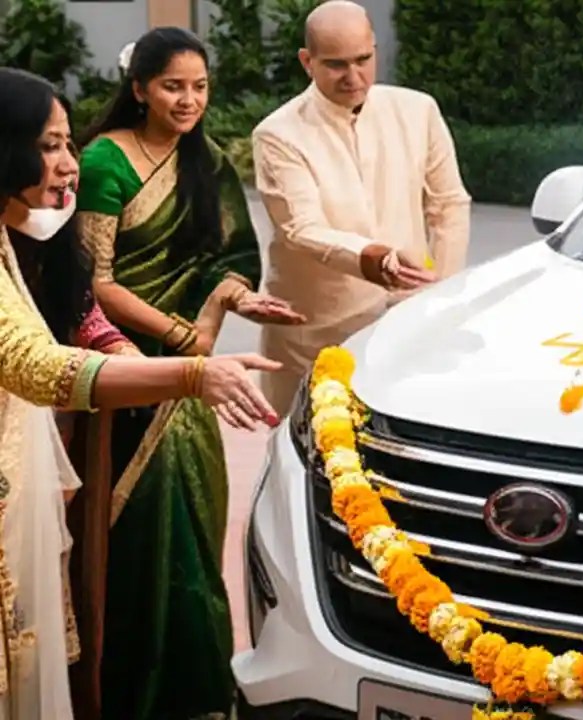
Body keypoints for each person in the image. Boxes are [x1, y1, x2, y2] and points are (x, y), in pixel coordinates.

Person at [0, 66, 279, 719]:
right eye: (48, 146)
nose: (68, 165)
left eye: (68, 143)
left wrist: (132, 357)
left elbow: (79, 311)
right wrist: (189, 371)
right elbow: (34, 362)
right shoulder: (96, 174)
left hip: (60, 438)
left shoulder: (29, 231)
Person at [72, 28, 303, 720]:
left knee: (198, 528)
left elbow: (227, 256)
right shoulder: (105, 161)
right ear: (138, 88)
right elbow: (96, 282)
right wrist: (182, 341)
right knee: (142, 533)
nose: (189, 100)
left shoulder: (207, 164)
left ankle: (196, 691)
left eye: (199, 87)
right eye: (174, 86)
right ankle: (130, 695)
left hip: (188, 375)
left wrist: (233, 297)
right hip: (124, 372)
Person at [252, 0, 472, 414]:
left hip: (405, 322)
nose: (353, 77)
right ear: (307, 61)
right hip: (314, 330)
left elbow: (449, 205)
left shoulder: (417, 110)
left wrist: (439, 288)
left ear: (375, 49)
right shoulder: (278, 134)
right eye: (336, 64)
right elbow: (302, 228)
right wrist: (373, 258)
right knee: (309, 456)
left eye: (363, 59)